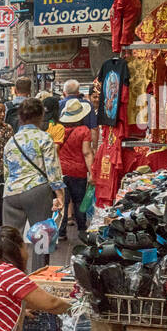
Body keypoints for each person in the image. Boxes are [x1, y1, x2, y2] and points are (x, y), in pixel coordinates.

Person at [2, 97, 65, 271]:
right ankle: (39, 276)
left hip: (11, 195)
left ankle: (12, 279)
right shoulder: (44, 138)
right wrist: (59, 195)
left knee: (11, 241)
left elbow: (6, 173)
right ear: (41, 116)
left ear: (20, 118)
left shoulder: (10, 142)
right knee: (42, 238)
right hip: (37, 191)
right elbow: (53, 170)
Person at [57, 98, 95, 240]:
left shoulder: (58, 130)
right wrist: (92, 173)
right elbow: (87, 152)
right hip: (78, 171)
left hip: (61, 171)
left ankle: (61, 232)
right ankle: (82, 230)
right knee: (79, 201)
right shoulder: (84, 130)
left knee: (63, 202)